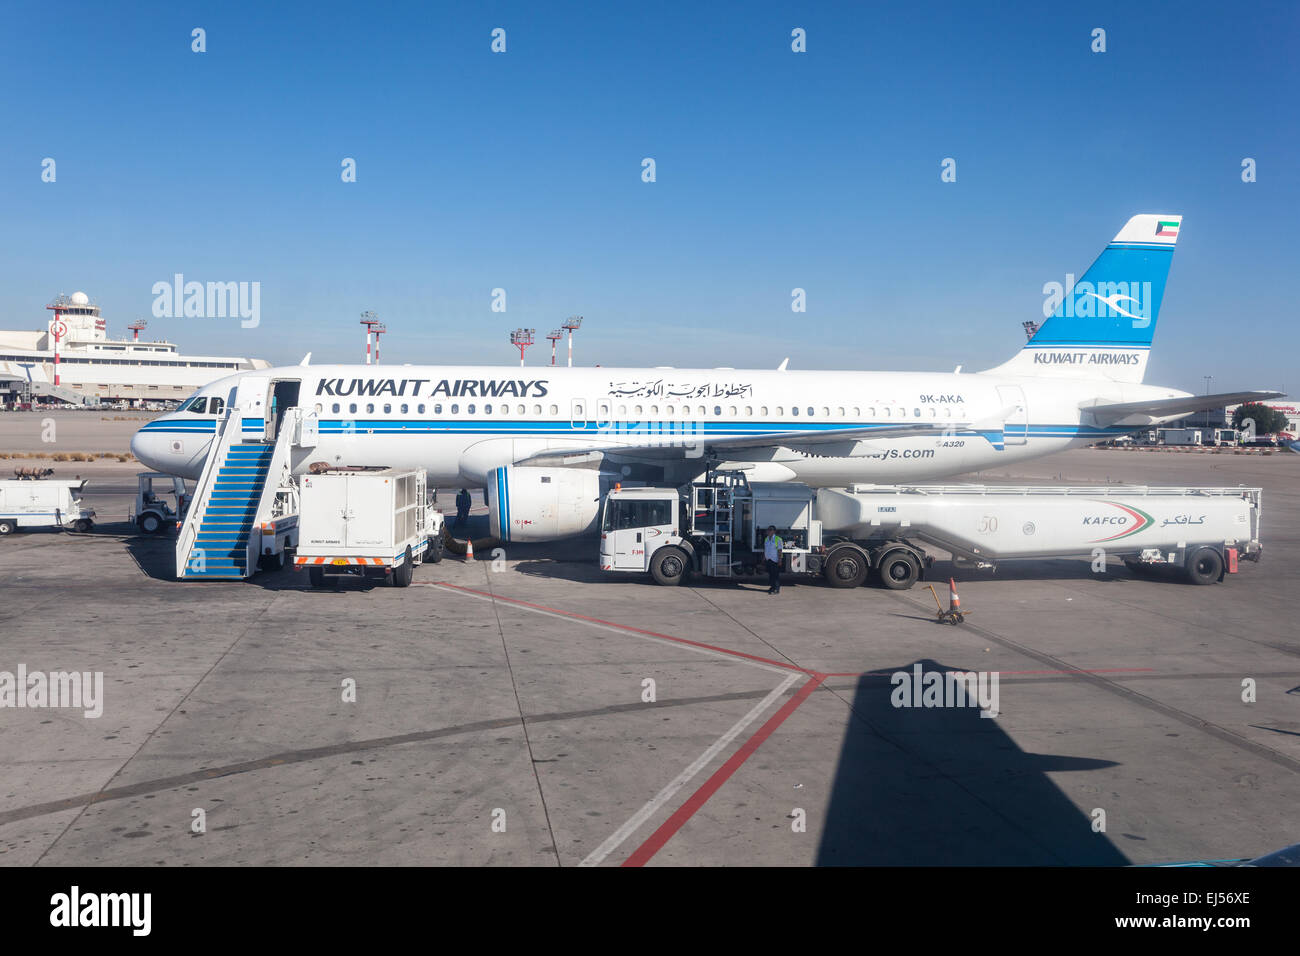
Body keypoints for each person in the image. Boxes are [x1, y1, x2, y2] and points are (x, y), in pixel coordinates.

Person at [763, 525, 784, 595]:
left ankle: (776, 589)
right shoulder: (766, 539)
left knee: (775, 575)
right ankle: (772, 587)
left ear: (774, 531)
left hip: (775, 560)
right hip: (768, 559)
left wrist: (780, 560)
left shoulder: (778, 539)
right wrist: (764, 557)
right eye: (768, 530)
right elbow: (765, 549)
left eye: (770, 530)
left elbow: (780, 550)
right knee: (771, 574)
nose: (768, 531)